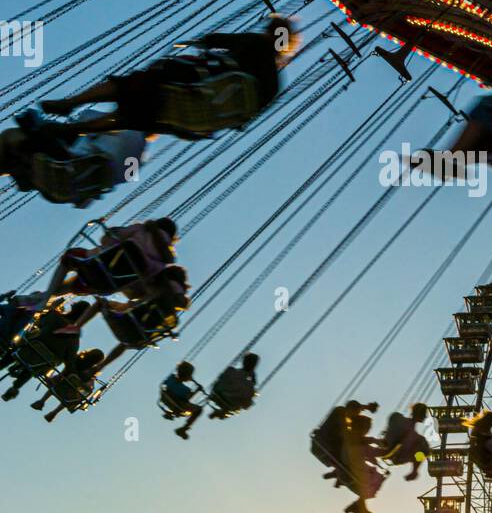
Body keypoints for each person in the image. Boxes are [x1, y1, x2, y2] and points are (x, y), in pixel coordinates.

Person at [40, 16, 299, 140]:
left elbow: (216, 40)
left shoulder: (255, 43)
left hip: (189, 86)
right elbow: (246, 118)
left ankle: (72, 102)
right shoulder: (274, 85)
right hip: (198, 123)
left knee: (126, 85)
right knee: (132, 119)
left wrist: (204, 41)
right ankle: (76, 129)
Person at [0, 106, 151, 206]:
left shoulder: (121, 123)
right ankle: (24, 169)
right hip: (69, 189)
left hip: (66, 160)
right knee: (24, 148)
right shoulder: (138, 162)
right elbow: (114, 179)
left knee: (11, 136)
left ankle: (32, 135)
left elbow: (87, 122)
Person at [44, 218, 178, 303]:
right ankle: (43, 298)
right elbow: (143, 281)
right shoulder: (162, 264)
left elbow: (107, 240)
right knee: (72, 287)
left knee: (71, 255)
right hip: (106, 285)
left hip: (94, 264)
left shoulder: (141, 229)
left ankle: (45, 297)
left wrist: (111, 233)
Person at [90, 265, 190, 371]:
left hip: (125, 324)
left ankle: (76, 326)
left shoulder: (161, 288)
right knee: (125, 343)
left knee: (100, 304)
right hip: (138, 338)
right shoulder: (171, 308)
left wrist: (122, 306)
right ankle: (100, 367)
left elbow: (135, 304)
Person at [1, 299, 90, 400]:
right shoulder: (75, 338)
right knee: (37, 364)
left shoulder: (54, 316)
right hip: (39, 364)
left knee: (21, 347)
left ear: (74, 307)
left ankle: (2, 364)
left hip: (26, 350)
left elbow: (38, 323)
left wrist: (52, 309)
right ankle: (15, 387)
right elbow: (70, 359)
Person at [31, 347, 104, 421]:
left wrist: (57, 377)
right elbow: (88, 387)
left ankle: (42, 401)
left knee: (59, 383)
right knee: (73, 395)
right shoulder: (90, 373)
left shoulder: (77, 359)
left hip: (59, 385)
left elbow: (66, 370)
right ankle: (54, 413)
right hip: (69, 396)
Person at [341, 412, 385, 513]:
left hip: (349, 462)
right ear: (360, 427)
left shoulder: (351, 436)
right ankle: (359, 504)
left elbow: (365, 445)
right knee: (376, 477)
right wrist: (377, 443)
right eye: (366, 429)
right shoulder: (354, 437)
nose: (366, 432)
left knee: (375, 477)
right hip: (352, 464)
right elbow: (366, 446)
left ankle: (359, 504)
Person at [381, 402, 429, 481]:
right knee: (423, 446)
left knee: (422, 444)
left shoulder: (399, 419)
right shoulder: (416, 436)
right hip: (397, 455)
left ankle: (414, 471)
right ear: (421, 415)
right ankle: (414, 471)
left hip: (390, 451)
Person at [207, 352, 260, 422]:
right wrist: (253, 379)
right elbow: (246, 405)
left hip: (218, 394)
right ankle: (222, 411)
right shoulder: (249, 385)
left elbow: (217, 383)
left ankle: (222, 411)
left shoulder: (231, 371)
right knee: (246, 396)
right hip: (229, 403)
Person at [160, 360, 204, 437]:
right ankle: (184, 428)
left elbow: (166, 384)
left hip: (165, 399)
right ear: (187, 376)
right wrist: (197, 390)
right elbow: (187, 398)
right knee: (199, 410)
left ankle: (171, 413)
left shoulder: (171, 378)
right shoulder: (185, 390)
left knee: (179, 402)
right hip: (178, 405)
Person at [463, 409, 492, 479]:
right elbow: (486, 444)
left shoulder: (483, 430)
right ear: (490, 421)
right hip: (483, 455)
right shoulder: (482, 431)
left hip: (483, 454)